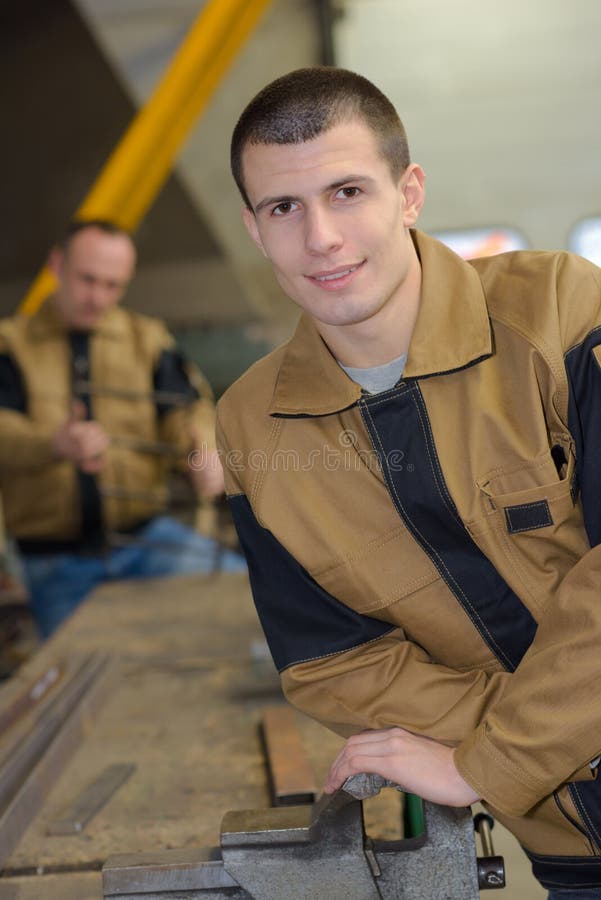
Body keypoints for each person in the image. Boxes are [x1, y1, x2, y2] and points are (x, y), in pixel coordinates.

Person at [216, 66, 601, 898]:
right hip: (568, 853)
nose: (320, 236)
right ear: (254, 229)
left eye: (347, 190)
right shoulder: (251, 426)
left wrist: (493, 758)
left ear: (409, 192)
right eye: (284, 207)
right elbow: (331, 662)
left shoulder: (563, 314)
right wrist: (522, 749)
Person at [0, 219, 245, 639]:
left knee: (249, 596)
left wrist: (200, 450)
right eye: (88, 280)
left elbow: (185, 410)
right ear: (57, 265)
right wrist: (53, 444)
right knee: (82, 680)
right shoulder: (11, 344)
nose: (99, 298)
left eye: (113, 285)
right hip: (55, 561)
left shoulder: (146, 339)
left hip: (148, 543)